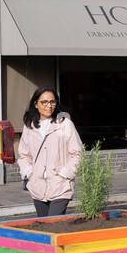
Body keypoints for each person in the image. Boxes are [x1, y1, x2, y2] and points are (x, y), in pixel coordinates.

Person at [17, 87, 84, 217]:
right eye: (44, 102)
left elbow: (77, 153)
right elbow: (24, 155)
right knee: (44, 227)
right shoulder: (29, 126)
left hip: (60, 185)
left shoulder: (65, 124)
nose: (49, 106)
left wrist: (64, 174)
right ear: (36, 104)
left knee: (54, 222)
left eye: (52, 102)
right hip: (38, 186)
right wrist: (30, 173)